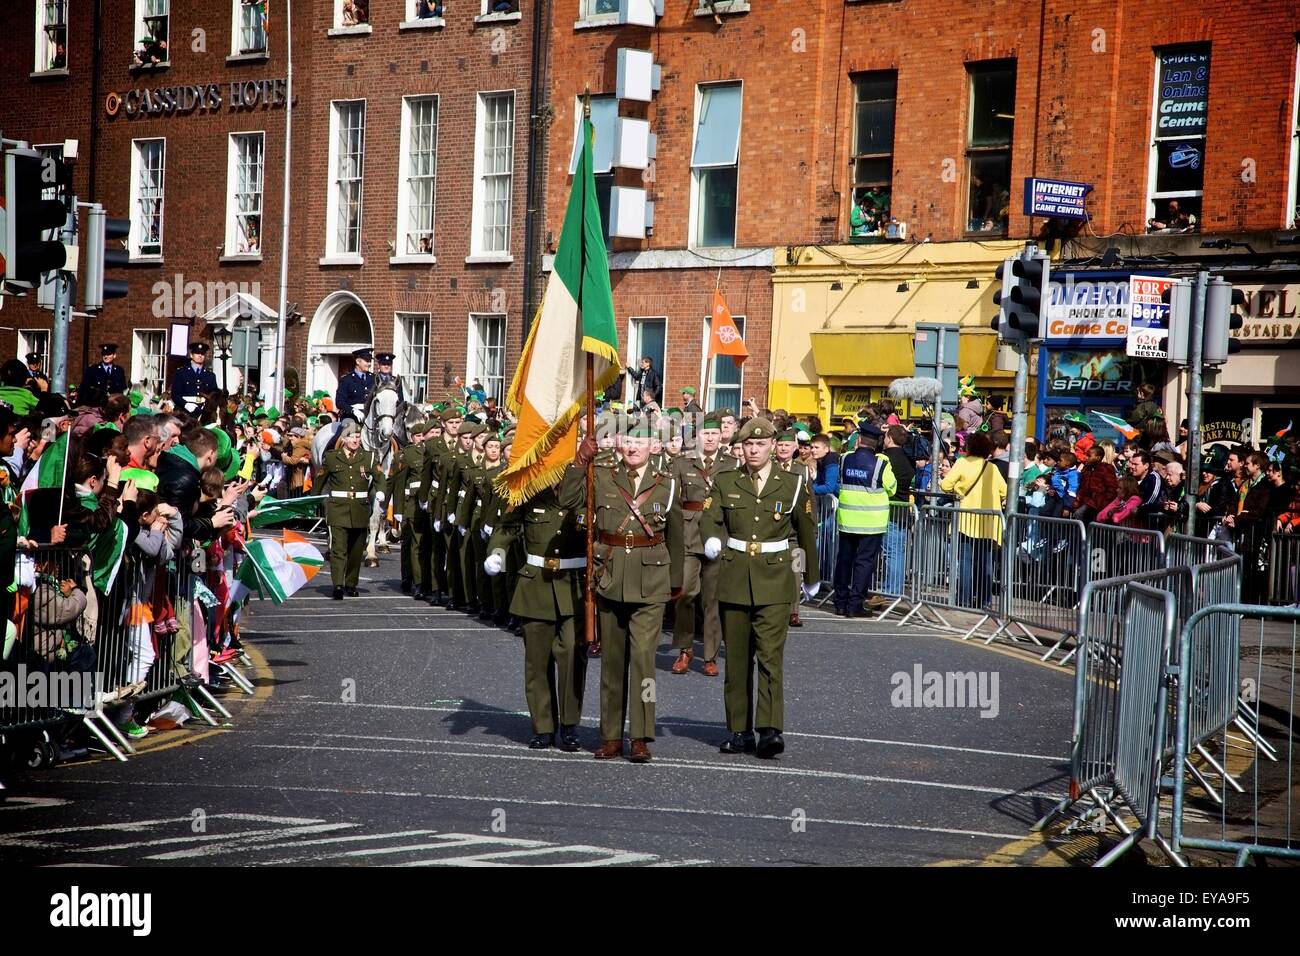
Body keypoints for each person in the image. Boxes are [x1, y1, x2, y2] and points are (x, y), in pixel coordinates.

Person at [564, 422, 683, 764]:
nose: (632, 448)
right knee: (612, 664)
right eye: (627, 441)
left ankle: (641, 736)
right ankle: (611, 735)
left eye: (640, 441)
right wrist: (578, 463)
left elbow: (674, 532)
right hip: (611, 576)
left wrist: (675, 581)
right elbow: (568, 499)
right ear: (618, 443)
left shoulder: (667, 481)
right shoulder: (601, 475)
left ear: (653, 446)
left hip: (651, 581)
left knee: (644, 659)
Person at [700, 418, 819, 759]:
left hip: (775, 578)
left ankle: (769, 730)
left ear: (772, 446)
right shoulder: (726, 480)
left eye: (760, 444)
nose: (753, 449)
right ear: (741, 447)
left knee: (770, 657)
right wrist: (710, 536)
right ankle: (739, 731)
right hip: (735, 576)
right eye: (748, 445)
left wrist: (811, 574)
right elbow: (711, 515)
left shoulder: (793, 483)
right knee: (737, 659)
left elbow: (806, 530)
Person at [485, 468, 588, 752]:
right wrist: (497, 552)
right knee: (537, 661)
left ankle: (569, 725)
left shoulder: (585, 486)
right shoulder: (529, 490)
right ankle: (543, 727)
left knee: (571, 654)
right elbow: (507, 526)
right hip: (535, 585)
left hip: (573, 586)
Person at [669, 414, 731, 676]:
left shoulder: (731, 465)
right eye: (705, 434)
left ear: (721, 437)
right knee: (684, 593)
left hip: (718, 535)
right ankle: (685, 649)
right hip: (689, 535)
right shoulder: (682, 463)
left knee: (713, 599)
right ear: (698, 437)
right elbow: (674, 502)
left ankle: (709, 655)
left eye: (714, 434)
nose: (710, 438)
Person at [833, 422, 896, 618]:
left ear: (859, 440)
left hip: (847, 520)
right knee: (864, 563)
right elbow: (892, 488)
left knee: (844, 561)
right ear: (876, 443)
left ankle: (840, 603)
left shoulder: (844, 459)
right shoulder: (881, 463)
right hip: (871, 523)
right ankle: (855, 605)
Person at [939, 431, 1007, 611]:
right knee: (985, 563)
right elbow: (1005, 491)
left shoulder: (962, 463)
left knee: (966, 562)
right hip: (988, 522)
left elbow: (945, 485)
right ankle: (984, 600)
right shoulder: (991, 467)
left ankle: (964, 599)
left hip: (966, 520)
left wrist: (958, 491)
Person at [317, 419, 379, 599]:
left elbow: (379, 476)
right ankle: (337, 585)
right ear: (343, 439)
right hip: (338, 508)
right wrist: (312, 501)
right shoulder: (331, 457)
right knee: (338, 549)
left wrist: (381, 491)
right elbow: (320, 481)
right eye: (352, 437)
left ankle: (351, 584)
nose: (356, 440)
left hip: (359, 509)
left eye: (358, 437)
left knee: (356, 550)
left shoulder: (368, 457)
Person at [878, 425, 916, 603]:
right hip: (903, 508)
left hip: (889, 510)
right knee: (898, 553)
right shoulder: (908, 459)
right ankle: (894, 589)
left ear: (890, 439)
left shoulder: (885, 458)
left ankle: (891, 591)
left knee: (891, 553)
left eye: (885, 436)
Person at [171, 342, 219, 416]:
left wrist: (206, 406)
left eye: (202, 354)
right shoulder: (181, 373)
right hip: (183, 412)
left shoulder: (210, 376)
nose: (200, 355)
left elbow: (214, 396)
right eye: (197, 353)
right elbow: (175, 395)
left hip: (203, 414)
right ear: (191, 355)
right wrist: (186, 405)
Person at [1075, 444, 1118, 524]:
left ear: (1098, 457)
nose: (1086, 457)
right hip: (1087, 501)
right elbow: (1083, 486)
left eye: (1089, 455)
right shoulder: (1086, 469)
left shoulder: (1105, 468)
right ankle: (1084, 536)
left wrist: (1104, 501)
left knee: (1079, 514)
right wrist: (1078, 499)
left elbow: (1112, 487)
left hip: (1099, 503)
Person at [335, 348, 375, 423]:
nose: (369, 364)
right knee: (348, 433)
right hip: (350, 418)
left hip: (370, 418)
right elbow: (339, 401)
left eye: (370, 361)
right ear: (357, 361)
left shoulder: (374, 379)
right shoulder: (346, 380)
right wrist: (353, 410)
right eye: (366, 361)